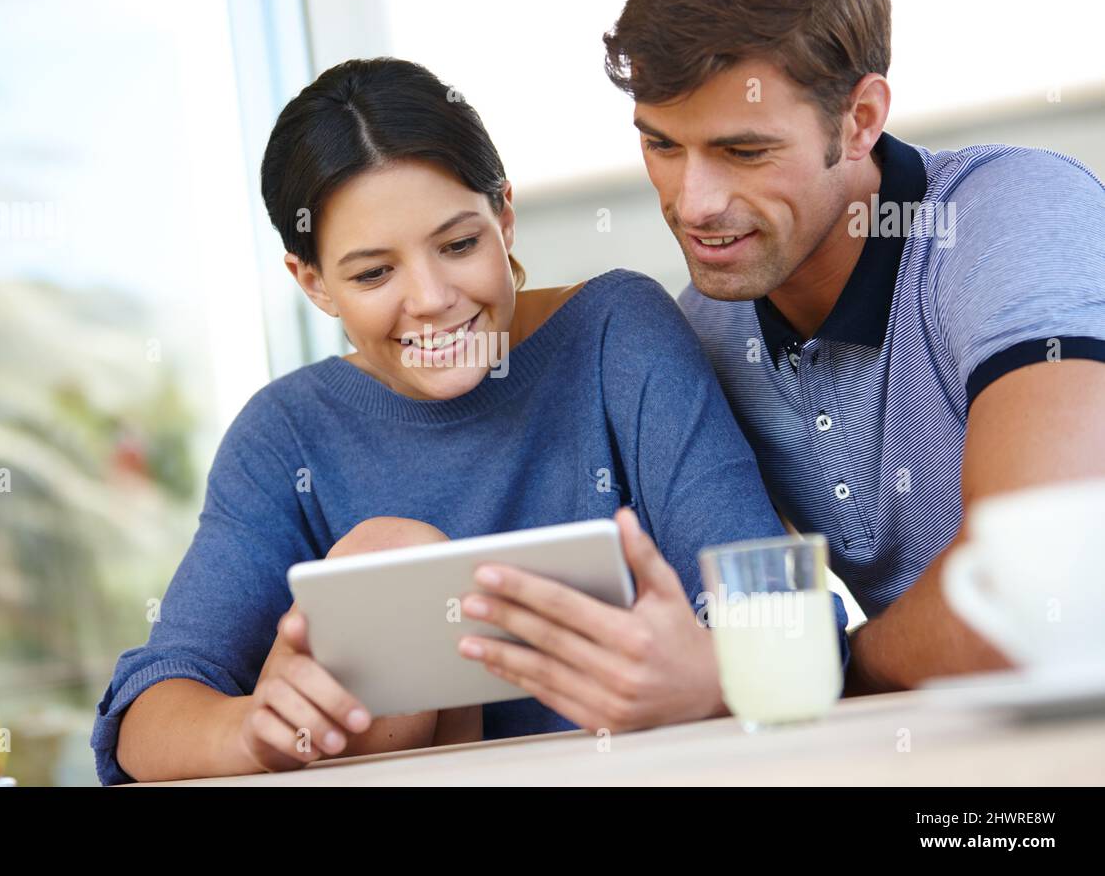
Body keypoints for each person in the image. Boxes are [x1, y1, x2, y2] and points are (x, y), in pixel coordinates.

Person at [90, 57, 848, 784]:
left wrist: (706, 677)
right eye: (373, 272)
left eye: (457, 245)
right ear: (313, 282)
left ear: (505, 217)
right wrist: (250, 729)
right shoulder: (286, 433)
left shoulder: (618, 332)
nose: (431, 299)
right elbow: (147, 711)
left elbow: (785, 626)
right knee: (386, 552)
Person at [599, 0, 1105, 694]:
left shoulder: (1013, 217)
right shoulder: (703, 328)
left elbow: (1030, 597)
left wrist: (817, 674)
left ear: (861, 120)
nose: (692, 204)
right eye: (663, 145)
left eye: (742, 150)